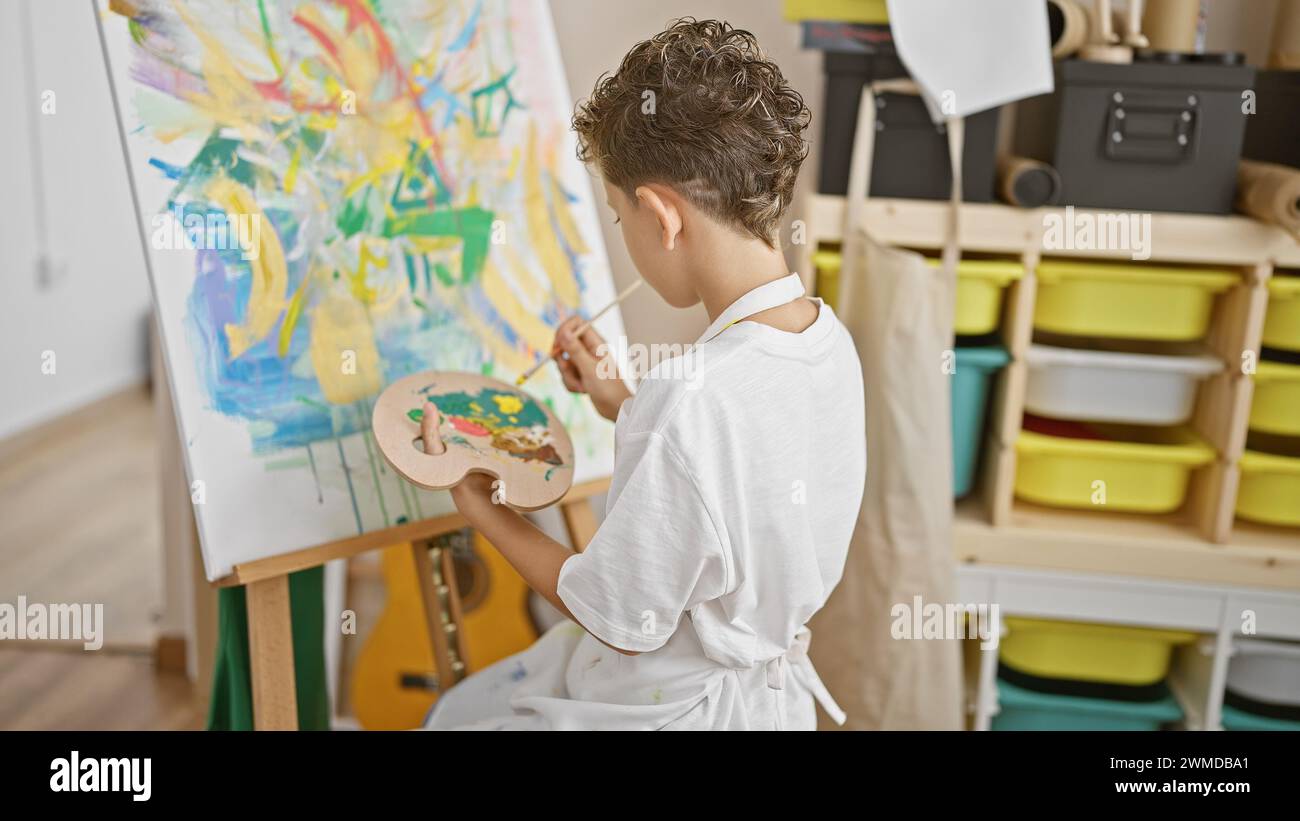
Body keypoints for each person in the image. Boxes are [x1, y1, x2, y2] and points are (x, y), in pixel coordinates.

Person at [429, 18, 866, 730]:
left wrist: (487, 513)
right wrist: (619, 400)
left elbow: (611, 610)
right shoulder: (827, 339)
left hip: (672, 708)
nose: (623, 237)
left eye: (617, 215)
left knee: (456, 718)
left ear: (662, 216)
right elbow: (729, 478)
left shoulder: (690, 397)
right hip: (765, 704)